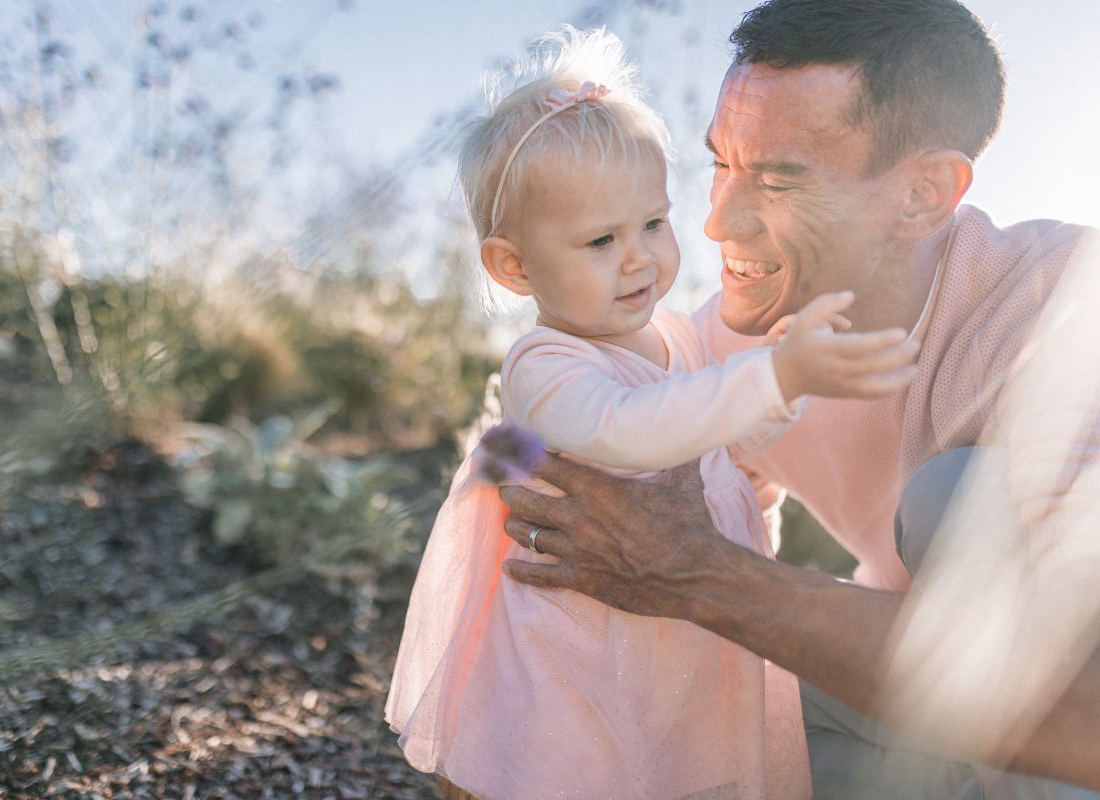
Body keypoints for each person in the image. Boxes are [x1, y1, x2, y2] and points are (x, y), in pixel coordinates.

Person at [497, 0, 1100, 796]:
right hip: (932, 707)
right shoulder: (728, 356)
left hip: (1069, 737)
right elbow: (710, 517)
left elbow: (1090, 715)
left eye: (779, 180)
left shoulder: (1065, 314)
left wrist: (703, 576)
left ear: (924, 193)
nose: (717, 223)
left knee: (959, 500)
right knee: (706, 716)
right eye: (721, 165)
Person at [384, 26, 921, 800]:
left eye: (652, 223)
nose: (639, 257)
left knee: (679, 764)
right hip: (584, 645)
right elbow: (634, 434)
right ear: (514, 265)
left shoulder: (671, 335)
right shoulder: (545, 367)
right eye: (601, 239)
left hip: (678, 637)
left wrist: (787, 388)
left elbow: (718, 438)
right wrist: (767, 375)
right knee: (576, 769)